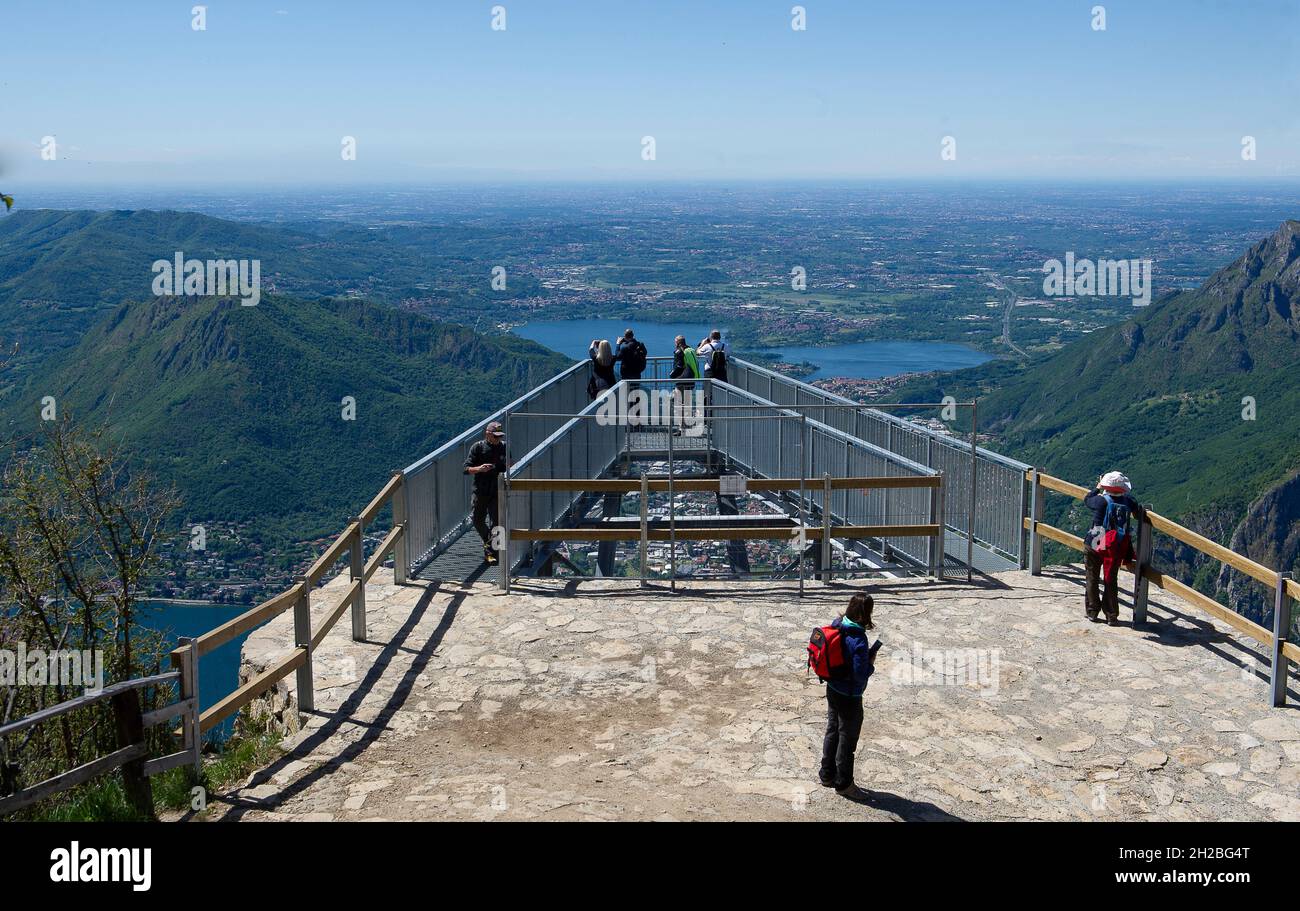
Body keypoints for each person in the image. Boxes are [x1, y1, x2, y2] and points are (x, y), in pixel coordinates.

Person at [819, 593, 881, 798]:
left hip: (832, 688)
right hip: (850, 696)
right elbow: (859, 674)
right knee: (847, 740)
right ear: (866, 614)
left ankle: (827, 774)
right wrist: (870, 664)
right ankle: (844, 783)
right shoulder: (859, 640)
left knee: (832, 730)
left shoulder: (837, 624)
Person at [1082, 470, 1146, 625]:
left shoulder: (1100, 501)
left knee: (1092, 577)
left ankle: (1092, 611)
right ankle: (1111, 615)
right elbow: (1136, 506)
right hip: (1116, 545)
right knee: (1111, 579)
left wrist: (1097, 488)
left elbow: (1087, 499)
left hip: (1095, 542)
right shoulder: (1128, 502)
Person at [464, 421, 510, 564]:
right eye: (496, 436)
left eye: (500, 436)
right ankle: (489, 542)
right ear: (488, 434)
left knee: (499, 521)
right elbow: (466, 469)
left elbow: (508, 464)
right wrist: (480, 469)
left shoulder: (504, 446)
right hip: (481, 490)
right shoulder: (478, 447)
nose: (498, 439)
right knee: (477, 520)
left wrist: (510, 465)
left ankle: (497, 555)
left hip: (498, 489)